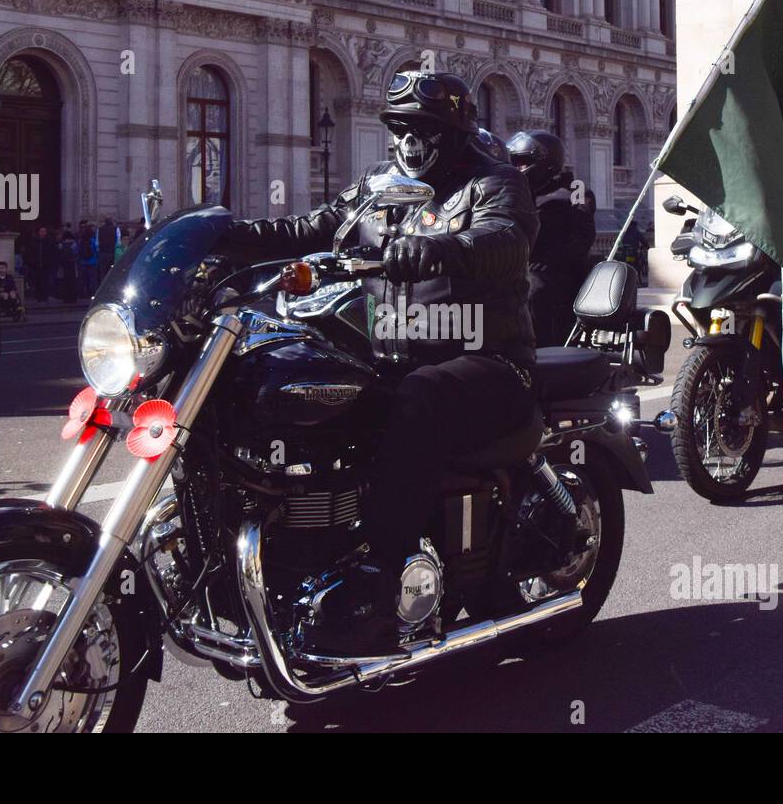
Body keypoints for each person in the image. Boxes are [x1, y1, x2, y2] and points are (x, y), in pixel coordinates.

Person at [221, 71, 538, 653]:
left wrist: (441, 247)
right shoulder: (377, 186)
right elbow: (309, 228)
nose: (409, 143)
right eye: (398, 129)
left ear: (455, 130)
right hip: (391, 359)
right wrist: (226, 236)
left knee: (418, 398)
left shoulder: (496, 184)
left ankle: (381, 573)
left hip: (485, 360)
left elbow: (505, 241)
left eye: (423, 130)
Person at [506, 129, 597, 347]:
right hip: (516, 266)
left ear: (546, 162)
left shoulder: (574, 189)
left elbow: (583, 235)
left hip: (555, 271)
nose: (516, 168)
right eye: (514, 162)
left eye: (522, 162)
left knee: (532, 290)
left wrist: (544, 261)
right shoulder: (517, 191)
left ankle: (541, 351)